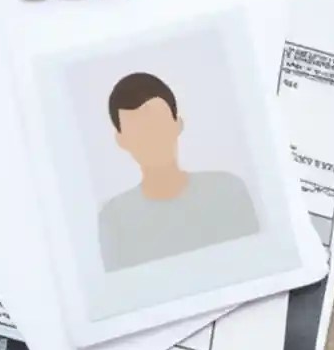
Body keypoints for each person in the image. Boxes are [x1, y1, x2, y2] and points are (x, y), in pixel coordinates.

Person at [99, 72, 259, 272]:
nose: (151, 138)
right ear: (121, 140)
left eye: (158, 125)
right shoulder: (115, 219)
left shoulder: (228, 191)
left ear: (178, 124)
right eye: (138, 131)